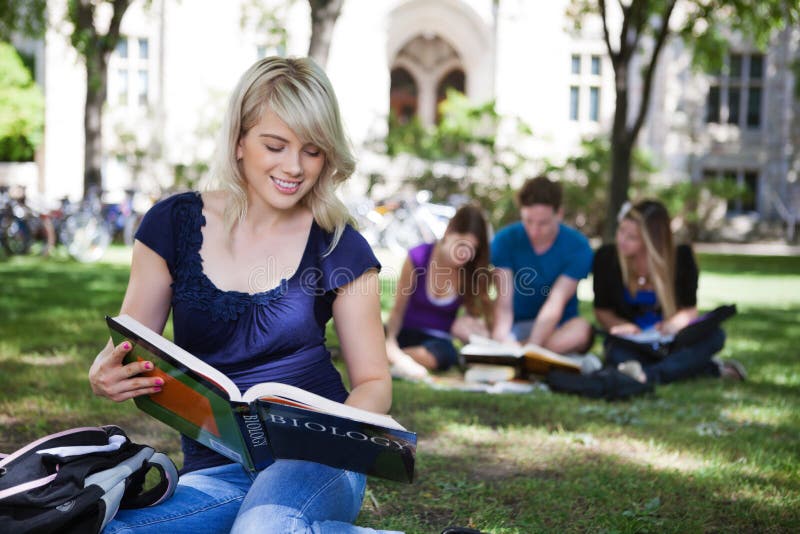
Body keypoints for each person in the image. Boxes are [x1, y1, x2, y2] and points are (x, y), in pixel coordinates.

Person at [89, 56, 399, 534]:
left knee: (263, 529)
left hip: (314, 463)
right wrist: (104, 372)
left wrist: (335, 437)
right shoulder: (171, 224)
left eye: (313, 151)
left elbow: (375, 382)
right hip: (216, 470)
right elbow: (130, 346)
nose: (294, 167)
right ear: (238, 141)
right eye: (275, 145)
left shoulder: (338, 244)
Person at [593, 199, 745, 384]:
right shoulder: (607, 258)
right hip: (634, 344)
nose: (621, 240)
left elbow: (689, 310)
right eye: (621, 230)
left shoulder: (681, 258)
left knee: (715, 336)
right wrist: (620, 325)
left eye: (631, 237)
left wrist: (673, 324)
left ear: (653, 241)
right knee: (615, 351)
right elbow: (602, 310)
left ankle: (647, 375)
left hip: (671, 341)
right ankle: (702, 368)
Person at [385, 204, 493, 380]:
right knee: (373, 331)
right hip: (405, 332)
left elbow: (473, 320)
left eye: (471, 248)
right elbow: (397, 311)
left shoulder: (470, 272)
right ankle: (392, 356)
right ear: (448, 232)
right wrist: (390, 342)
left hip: (436, 344)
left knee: (442, 355)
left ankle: (387, 357)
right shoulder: (418, 256)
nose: (464, 253)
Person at [490, 175, 594, 354]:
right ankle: (527, 354)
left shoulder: (578, 247)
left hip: (557, 327)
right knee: (471, 325)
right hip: (515, 325)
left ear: (559, 214)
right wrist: (500, 340)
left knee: (582, 330)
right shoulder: (504, 240)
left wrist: (532, 346)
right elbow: (504, 303)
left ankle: (528, 354)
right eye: (528, 221)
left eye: (543, 223)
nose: (534, 231)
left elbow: (556, 302)